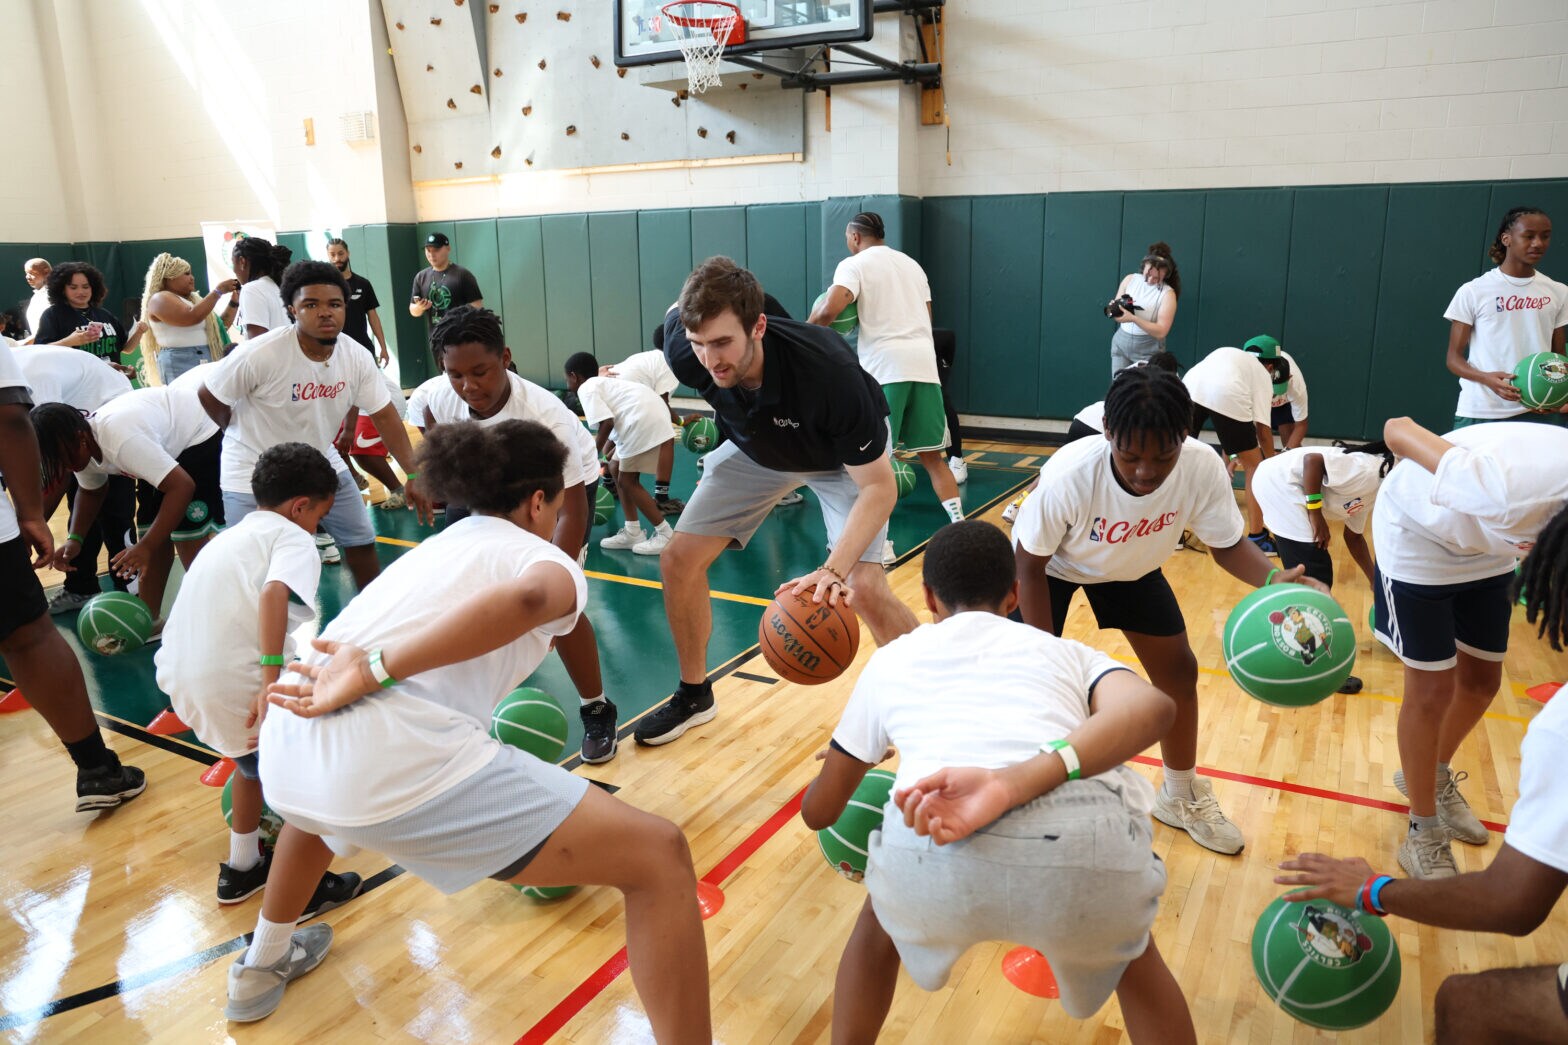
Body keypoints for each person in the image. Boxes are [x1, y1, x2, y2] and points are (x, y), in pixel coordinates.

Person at [253, 421, 711, 1037]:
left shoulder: (441, 546)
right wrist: (378, 671)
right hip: (391, 762)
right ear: (540, 502)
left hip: (292, 754)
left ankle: (260, 966)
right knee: (660, 856)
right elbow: (529, 599)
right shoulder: (545, 557)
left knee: (321, 811)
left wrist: (369, 672)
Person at [802, 521, 1195, 1044]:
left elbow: (820, 813)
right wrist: (1019, 779)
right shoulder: (1067, 654)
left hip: (931, 851)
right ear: (1014, 595)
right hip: (1081, 849)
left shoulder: (891, 659)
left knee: (878, 923)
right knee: (1135, 956)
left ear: (927, 599)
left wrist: (830, 778)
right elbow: (1154, 706)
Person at [1276, 507, 1568, 1044]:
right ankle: (1423, 818)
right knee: (1432, 689)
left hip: (1473, 551)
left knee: (1465, 1004)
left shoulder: (1563, 728)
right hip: (1426, 552)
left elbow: (1514, 904)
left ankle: (1426, 790)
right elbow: (1400, 429)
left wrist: (1373, 889)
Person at [1012, 366, 1327, 855]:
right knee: (1034, 684)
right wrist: (1043, 650)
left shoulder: (1201, 468)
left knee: (1179, 673)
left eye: (1163, 456)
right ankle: (1014, 793)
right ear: (1108, 434)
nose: (1145, 471)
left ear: (1185, 436)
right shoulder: (1071, 475)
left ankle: (1179, 796)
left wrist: (1270, 577)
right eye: (1130, 455)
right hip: (1053, 568)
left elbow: (1226, 544)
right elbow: (1027, 566)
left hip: (1132, 568)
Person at [646, 256, 918, 747]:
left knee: (863, 585)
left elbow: (880, 487)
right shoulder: (688, 352)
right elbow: (685, 313)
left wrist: (831, 571)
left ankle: (929, 703)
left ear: (759, 326)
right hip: (758, 449)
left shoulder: (829, 373)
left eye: (724, 342)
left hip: (841, 463)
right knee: (678, 560)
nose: (711, 360)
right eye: (699, 344)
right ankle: (694, 695)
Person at [152, 443, 361, 970]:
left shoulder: (232, 532)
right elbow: (274, 595)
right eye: (319, 513)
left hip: (181, 677)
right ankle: (304, 888)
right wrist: (270, 679)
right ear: (299, 507)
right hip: (235, 679)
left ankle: (243, 866)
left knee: (250, 765)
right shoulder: (292, 538)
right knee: (310, 776)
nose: (318, 524)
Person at [1371, 416, 1568, 879]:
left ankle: (1433, 775)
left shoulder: (1526, 512)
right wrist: (1423, 484)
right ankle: (1422, 830)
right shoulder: (1504, 491)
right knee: (1432, 689)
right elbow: (1397, 427)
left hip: (1490, 549)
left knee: (1482, 682)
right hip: (1417, 536)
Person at [422, 308, 620, 764]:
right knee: (467, 594)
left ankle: (597, 705)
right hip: (490, 483)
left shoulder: (543, 416)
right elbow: (444, 444)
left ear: (506, 358)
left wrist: (557, 579)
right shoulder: (445, 398)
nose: (469, 385)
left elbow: (570, 506)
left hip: (557, 491)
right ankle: (470, 709)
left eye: (480, 372)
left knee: (560, 610)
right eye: (455, 374)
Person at [197, 261, 429, 591]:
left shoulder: (356, 356)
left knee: (361, 542)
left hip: (320, 460)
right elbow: (209, 393)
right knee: (254, 570)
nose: (324, 313)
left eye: (334, 304)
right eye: (311, 304)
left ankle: (370, 621)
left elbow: (385, 415)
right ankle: (265, 641)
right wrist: (234, 431)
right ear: (292, 309)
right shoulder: (261, 353)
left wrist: (414, 474)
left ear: (345, 308)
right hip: (251, 469)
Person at [0, 336, 146, 811]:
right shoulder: (27, 375)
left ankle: (129, 590)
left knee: (116, 511)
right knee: (28, 637)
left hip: (111, 418)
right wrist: (30, 514)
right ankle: (98, 770)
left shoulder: (103, 423)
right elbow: (12, 420)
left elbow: (76, 469)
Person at [809, 212, 964, 559]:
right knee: (934, 459)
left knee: (874, 466)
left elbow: (827, 312)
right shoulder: (912, 265)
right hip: (924, 365)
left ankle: (883, 547)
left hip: (883, 369)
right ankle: (960, 525)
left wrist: (803, 337)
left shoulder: (854, 265)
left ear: (853, 237)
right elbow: (927, 318)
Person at [32, 385, 223, 622]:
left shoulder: (119, 441)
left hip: (199, 432)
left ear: (80, 438)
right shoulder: (81, 447)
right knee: (150, 532)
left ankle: (222, 614)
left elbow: (182, 486)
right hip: (163, 444)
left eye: (63, 458)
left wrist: (147, 547)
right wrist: (75, 539)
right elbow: (92, 491)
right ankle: (148, 618)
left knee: (186, 537)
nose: (65, 466)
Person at [1253, 439, 1392, 695]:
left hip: (1282, 488)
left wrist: (1374, 580)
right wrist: (1315, 513)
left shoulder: (1377, 491)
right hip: (1280, 486)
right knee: (1316, 577)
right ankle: (1321, 667)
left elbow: (1354, 537)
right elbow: (1312, 461)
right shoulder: (1369, 470)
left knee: (1311, 578)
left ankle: (1294, 646)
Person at [1001, 353, 1180, 526]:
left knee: (1053, 472)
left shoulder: (1135, 370)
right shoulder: (1169, 386)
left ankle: (1017, 504)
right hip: (1100, 429)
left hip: (1084, 418)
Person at [1446, 206, 1567, 427]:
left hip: (1539, 408)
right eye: (1529, 236)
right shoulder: (1474, 291)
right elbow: (1454, 359)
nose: (1538, 243)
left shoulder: (1558, 291)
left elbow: (1558, 356)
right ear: (1506, 238)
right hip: (1482, 408)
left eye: (1545, 236)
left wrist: (1558, 393)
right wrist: (1487, 379)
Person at [564, 352, 677, 555]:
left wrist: (591, 455)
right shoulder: (599, 383)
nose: (567, 384)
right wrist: (603, 455)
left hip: (641, 419)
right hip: (648, 413)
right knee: (615, 467)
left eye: (567, 379)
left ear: (574, 376)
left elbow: (606, 423)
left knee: (628, 481)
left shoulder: (587, 388)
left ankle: (666, 534)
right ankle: (633, 531)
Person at [323, 238, 406, 510]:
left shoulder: (362, 285)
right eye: (331, 255)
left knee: (357, 445)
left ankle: (402, 488)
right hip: (356, 394)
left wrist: (382, 345)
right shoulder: (328, 354)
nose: (337, 258)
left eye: (340, 253)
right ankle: (355, 479)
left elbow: (373, 317)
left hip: (378, 397)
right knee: (331, 440)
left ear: (348, 253)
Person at [1183, 344, 1286, 554]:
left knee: (1177, 458)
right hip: (1224, 393)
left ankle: (1173, 534)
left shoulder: (1235, 359)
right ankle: (1257, 537)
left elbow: (1229, 436)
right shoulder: (1261, 376)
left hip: (1189, 386)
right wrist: (1270, 464)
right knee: (1254, 468)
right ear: (1269, 366)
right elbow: (1263, 433)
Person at [604, 347, 685, 515]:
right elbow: (661, 404)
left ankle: (609, 484)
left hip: (610, 398)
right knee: (666, 437)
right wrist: (682, 421)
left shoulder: (645, 357)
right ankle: (662, 500)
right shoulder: (668, 362)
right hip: (626, 402)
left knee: (616, 442)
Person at [33, 262, 142, 380]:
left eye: (86, 287)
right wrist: (68, 341)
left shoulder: (104, 314)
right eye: (73, 287)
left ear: (93, 288)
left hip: (113, 384)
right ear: (62, 289)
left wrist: (139, 332)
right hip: (79, 388)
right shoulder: (53, 315)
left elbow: (126, 348)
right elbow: (40, 351)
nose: (81, 292)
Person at [140, 253, 237, 385]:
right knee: (186, 403)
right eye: (186, 274)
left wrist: (234, 303)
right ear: (169, 277)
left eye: (191, 273)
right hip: (180, 360)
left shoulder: (193, 301)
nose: (192, 278)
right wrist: (217, 292)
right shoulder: (159, 298)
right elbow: (190, 317)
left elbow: (220, 327)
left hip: (205, 358)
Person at [1107, 243, 1181, 374]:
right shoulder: (1130, 280)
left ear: (1165, 275)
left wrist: (1134, 319)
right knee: (1120, 388)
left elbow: (1161, 331)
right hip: (1121, 345)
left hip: (1148, 349)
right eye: (1148, 274)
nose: (1150, 279)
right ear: (1144, 266)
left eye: (1156, 278)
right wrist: (1115, 311)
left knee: (1145, 390)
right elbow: (1118, 316)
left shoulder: (1168, 294)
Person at [1242, 335, 1309, 448]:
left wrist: (1287, 452)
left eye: (1278, 389)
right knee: (1243, 441)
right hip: (1252, 398)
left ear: (1289, 378)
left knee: (1290, 442)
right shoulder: (1244, 379)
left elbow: (1301, 424)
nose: (1273, 394)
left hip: (1282, 405)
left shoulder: (1295, 381)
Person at [408, 232, 483, 330]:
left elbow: (477, 306)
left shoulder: (463, 275)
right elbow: (413, 310)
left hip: (460, 338)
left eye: (436, 250)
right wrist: (420, 307)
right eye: (428, 250)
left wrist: (458, 316)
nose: (431, 254)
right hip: (436, 339)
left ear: (448, 249)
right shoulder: (421, 277)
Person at [224, 237, 294, 341]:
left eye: (233, 263)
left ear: (242, 262)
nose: (234, 270)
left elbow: (257, 343)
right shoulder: (276, 286)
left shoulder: (251, 289)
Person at [23, 257, 51, 339]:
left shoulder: (53, 295)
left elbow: (48, 331)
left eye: (31, 273)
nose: (27, 277)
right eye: (26, 273)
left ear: (46, 272)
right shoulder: (38, 295)